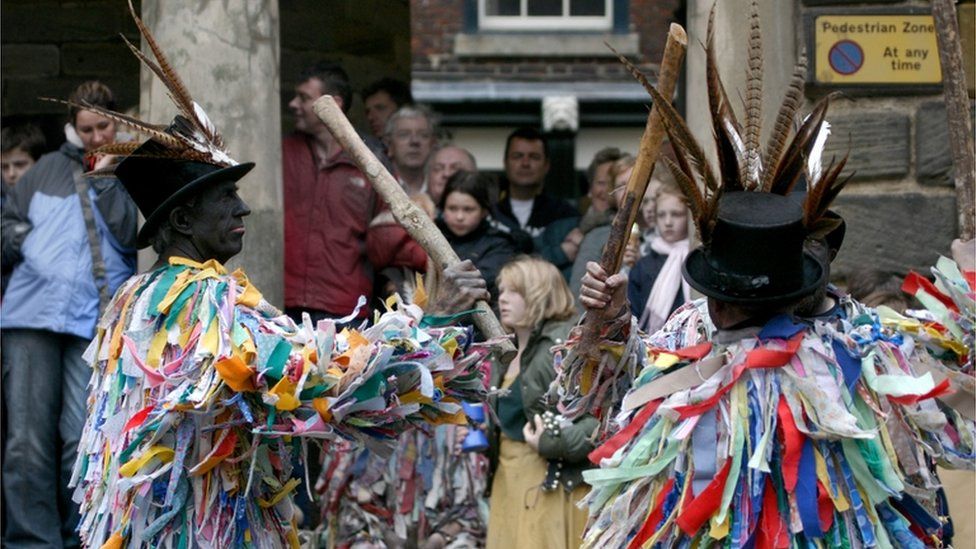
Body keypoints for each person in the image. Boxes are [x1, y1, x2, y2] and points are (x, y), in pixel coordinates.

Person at [64, 15, 493, 546]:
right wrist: (433, 323)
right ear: (180, 221)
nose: (243, 205)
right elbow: (319, 379)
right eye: (224, 197)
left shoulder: (134, 299)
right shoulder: (203, 301)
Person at [555, 7, 971, 545]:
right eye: (715, 295)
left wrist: (969, 294)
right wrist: (611, 324)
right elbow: (623, 398)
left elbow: (951, 411)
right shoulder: (691, 331)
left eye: (726, 299)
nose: (716, 309)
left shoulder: (857, 343)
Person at [1, 81, 138, 548]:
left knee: (82, 438)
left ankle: (81, 536)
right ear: (73, 128)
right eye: (87, 128)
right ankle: (29, 541)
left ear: (116, 121)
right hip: (29, 314)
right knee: (25, 441)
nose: (97, 135)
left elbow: (128, 235)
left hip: (94, 320)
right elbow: (6, 225)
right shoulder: (44, 171)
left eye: (104, 125)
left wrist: (107, 176)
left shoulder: (129, 171)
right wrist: (26, 242)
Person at [485, 256, 597, 549]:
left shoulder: (561, 348)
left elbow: (600, 417)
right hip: (510, 476)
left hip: (548, 481)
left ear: (538, 294)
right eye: (502, 289)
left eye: (514, 291)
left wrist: (554, 441)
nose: (502, 298)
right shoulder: (505, 348)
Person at [283, 62, 393, 324]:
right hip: (283, 302)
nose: (293, 104)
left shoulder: (369, 161)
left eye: (304, 98)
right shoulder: (283, 153)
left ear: (334, 104)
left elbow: (389, 231)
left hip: (346, 308)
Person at [493, 128, 580, 277]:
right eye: (517, 156)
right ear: (505, 163)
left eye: (534, 157)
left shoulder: (566, 215)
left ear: (546, 165)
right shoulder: (488, 214)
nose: (525, 163)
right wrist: (559, 252)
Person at [437, 171, 517, 308]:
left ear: (484, 211)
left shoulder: (499, 244)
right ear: (443, 209)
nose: (459, 216)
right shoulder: (431, 236)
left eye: (468, 209)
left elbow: (479, 283)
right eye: (452, 208)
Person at [627, 182, 691, 332]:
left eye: (676, 214)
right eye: (661, 215)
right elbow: (633, 315)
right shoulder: (643, 266)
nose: (668, 222)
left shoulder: (699, 261)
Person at [567, 148, 626, 299]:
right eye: (601, 183)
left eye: (615, 185)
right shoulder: (565, 228)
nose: (608, 191)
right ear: (589, 188)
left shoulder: (632, 231)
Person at [385, 105, 437, 196]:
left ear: (432, 144)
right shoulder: (375, 190)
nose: (414, 141)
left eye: (423, 135)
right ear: (389, 145)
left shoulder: (440, 190)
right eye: (404, 135)